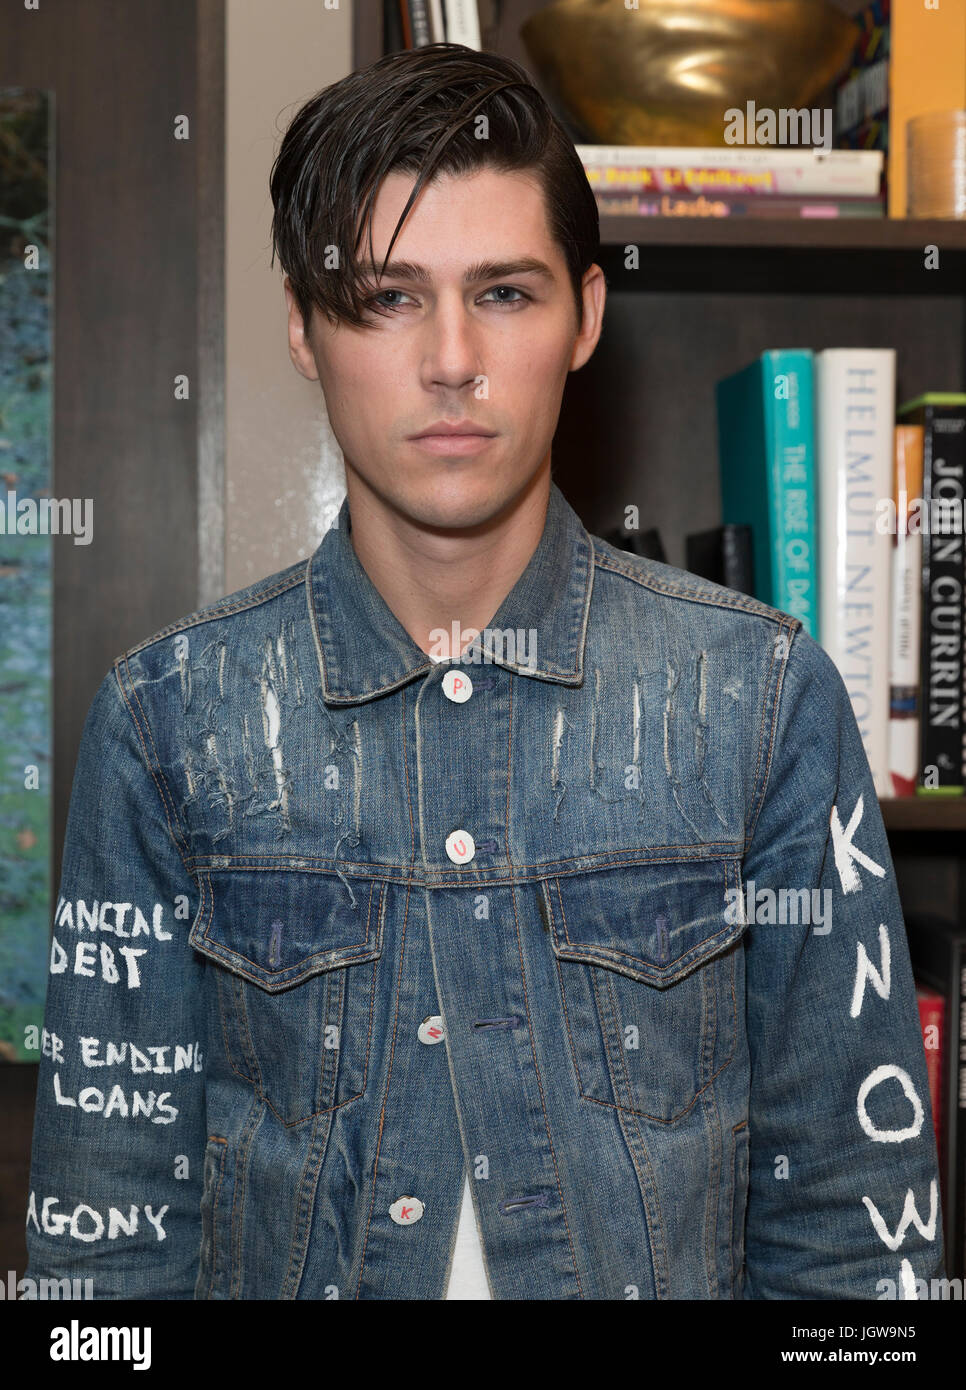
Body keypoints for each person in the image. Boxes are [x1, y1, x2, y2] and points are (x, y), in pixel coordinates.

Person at [25, 42, 945, 1300]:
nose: (451, 356)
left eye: (504, 293)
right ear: (302, 324)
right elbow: (105, 1265)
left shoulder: (762, 702)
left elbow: (853, 1243)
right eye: (388, 296)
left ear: (586, 316)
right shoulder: (165, 723)